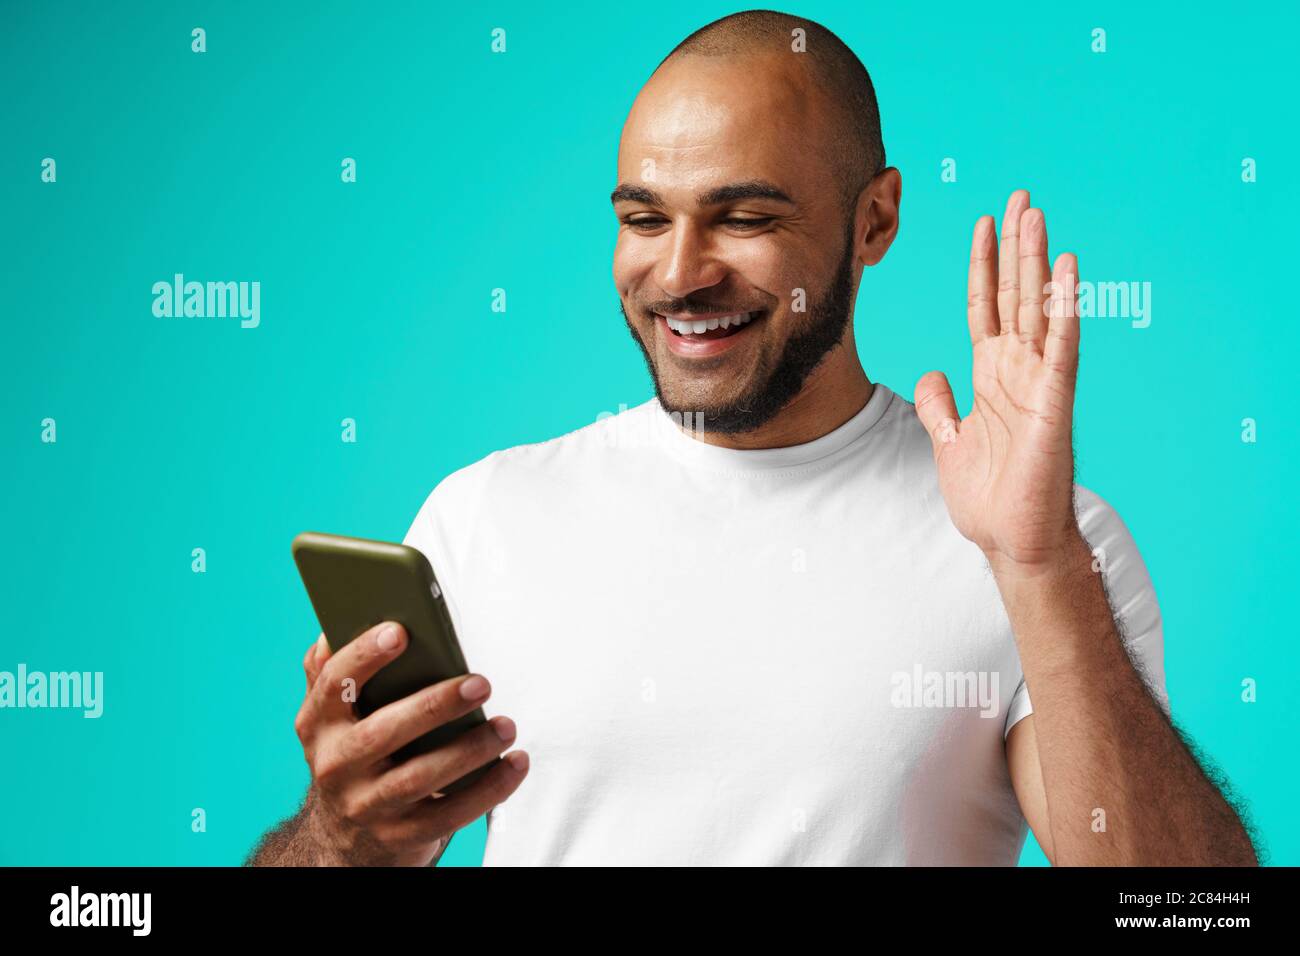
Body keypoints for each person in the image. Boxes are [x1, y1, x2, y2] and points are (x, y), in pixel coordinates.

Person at [249, 9, 1257, 866]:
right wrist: (338, 839)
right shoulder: (480, 519)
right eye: (644, 218)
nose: (679, 274)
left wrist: (1038, 567)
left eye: (741, 218)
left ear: (872, 223)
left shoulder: (1037, 543)